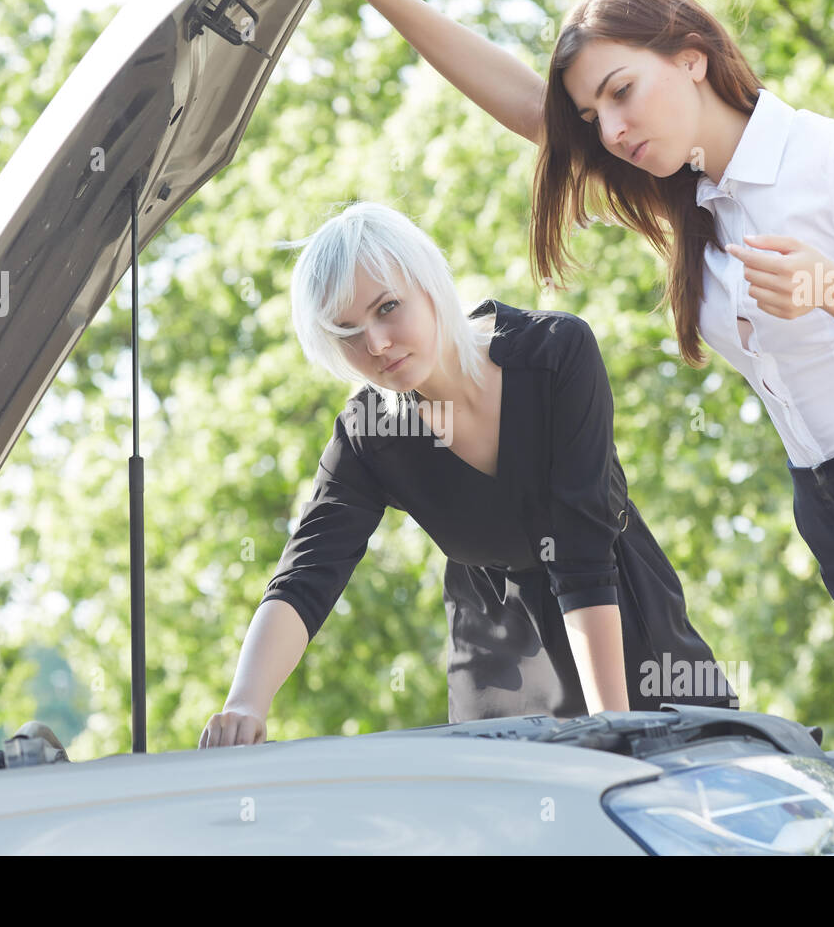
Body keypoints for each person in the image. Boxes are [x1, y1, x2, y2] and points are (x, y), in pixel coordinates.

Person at [346, 0, 834, 855]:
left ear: (690, 56)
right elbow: (529, 110)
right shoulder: (681, 202)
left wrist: (833, 287)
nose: (608, 129)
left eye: (620, 92)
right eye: (591, 113)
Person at [199, 201, 737, 749]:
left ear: (428, 284)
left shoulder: (554, 353)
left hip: (617, 626)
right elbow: (307, 574)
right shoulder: (370, 434)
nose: (376, 345)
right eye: (347, 330)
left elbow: (580, 555)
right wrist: (244, 704)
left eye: (387, 307)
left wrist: (614, 728)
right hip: (496, 659)